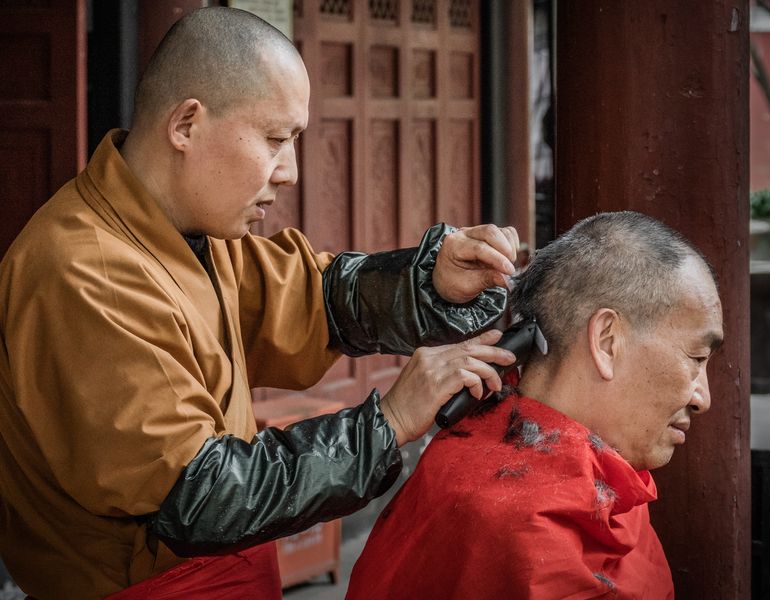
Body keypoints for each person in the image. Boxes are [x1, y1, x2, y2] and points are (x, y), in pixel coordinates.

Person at [0, 7, 521, 598]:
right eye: (276, 139)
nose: (290, 171)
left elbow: (316, 297)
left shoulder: (189, 231)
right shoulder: (81, 270)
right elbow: (200, 496)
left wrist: (431, 283)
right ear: (186, 124)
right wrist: (391, 422)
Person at [346, 211, 724, 600]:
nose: (703, 398)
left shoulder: (603, 468)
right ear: (607, 342)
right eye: (696, 358)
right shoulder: (522, 527)